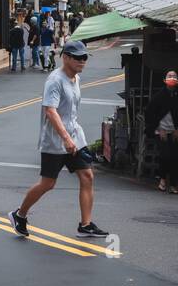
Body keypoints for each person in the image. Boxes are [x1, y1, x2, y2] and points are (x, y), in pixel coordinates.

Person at [8, 40, 109, 239]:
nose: (82, 61)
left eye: (85, 57)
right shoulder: (55, 80)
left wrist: (73, 138)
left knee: (87, 176)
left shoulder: (75, 78)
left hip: (74, 135)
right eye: (78, 57)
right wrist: (65, 139)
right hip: (55, 140)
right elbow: (50, 111)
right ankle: (19, 214)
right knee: (48, 183)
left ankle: (85, 225)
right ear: (65, 57)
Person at [144, 70, 178, 193]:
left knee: (175, 157)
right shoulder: (159, 96)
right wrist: (159, 129)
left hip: (175, 131)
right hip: (161, 131)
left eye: (174, 76)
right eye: (169, 76)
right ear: (165, 80)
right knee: (164, 155)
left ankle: (173, 185)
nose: (172, 78)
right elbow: (150, 113)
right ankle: (162, 179)